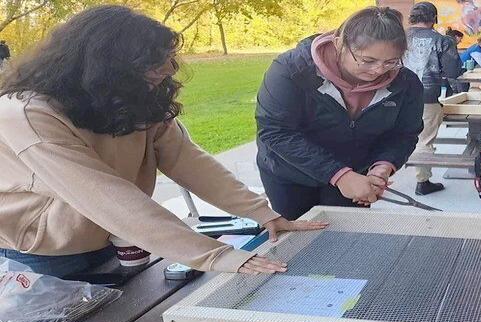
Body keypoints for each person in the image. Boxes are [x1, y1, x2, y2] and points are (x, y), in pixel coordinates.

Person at [0, 6, 327, 279]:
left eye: (169, 58)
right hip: (44, 248)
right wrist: (214, 256)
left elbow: (188, 161)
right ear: (104, 66)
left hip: (115, 232)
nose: (167, 70)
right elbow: (103, 195)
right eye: (153, 63)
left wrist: (263, 213)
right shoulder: (27, 114)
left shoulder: (132, 95)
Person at [255, 7, 423, 217]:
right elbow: (276, 131)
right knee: (298, 235)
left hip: (356, 175)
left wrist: (383, 166)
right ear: (339, 44)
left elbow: (404, 134)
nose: (379, 70)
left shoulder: (405, 83)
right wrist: (339, 175)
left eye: (390, 62)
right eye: (368, 60)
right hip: (290, 174)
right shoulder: (291, 70)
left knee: (345, 236)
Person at [402, 2, 461, 196]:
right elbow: (453, 70)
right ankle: (422, 182)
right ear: (434, 18)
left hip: (395, 97)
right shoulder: (442, 41)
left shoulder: (398, 37)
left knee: (394, 136)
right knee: (424, 140)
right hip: (427, 97)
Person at [443, 27, 465, 97]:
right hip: (450, 73)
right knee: (455, 92)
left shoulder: (444, 40)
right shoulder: (451, 42)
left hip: (444, 72)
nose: (460, 41)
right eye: (460, 39)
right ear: (456, 36)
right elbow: (454, 58)